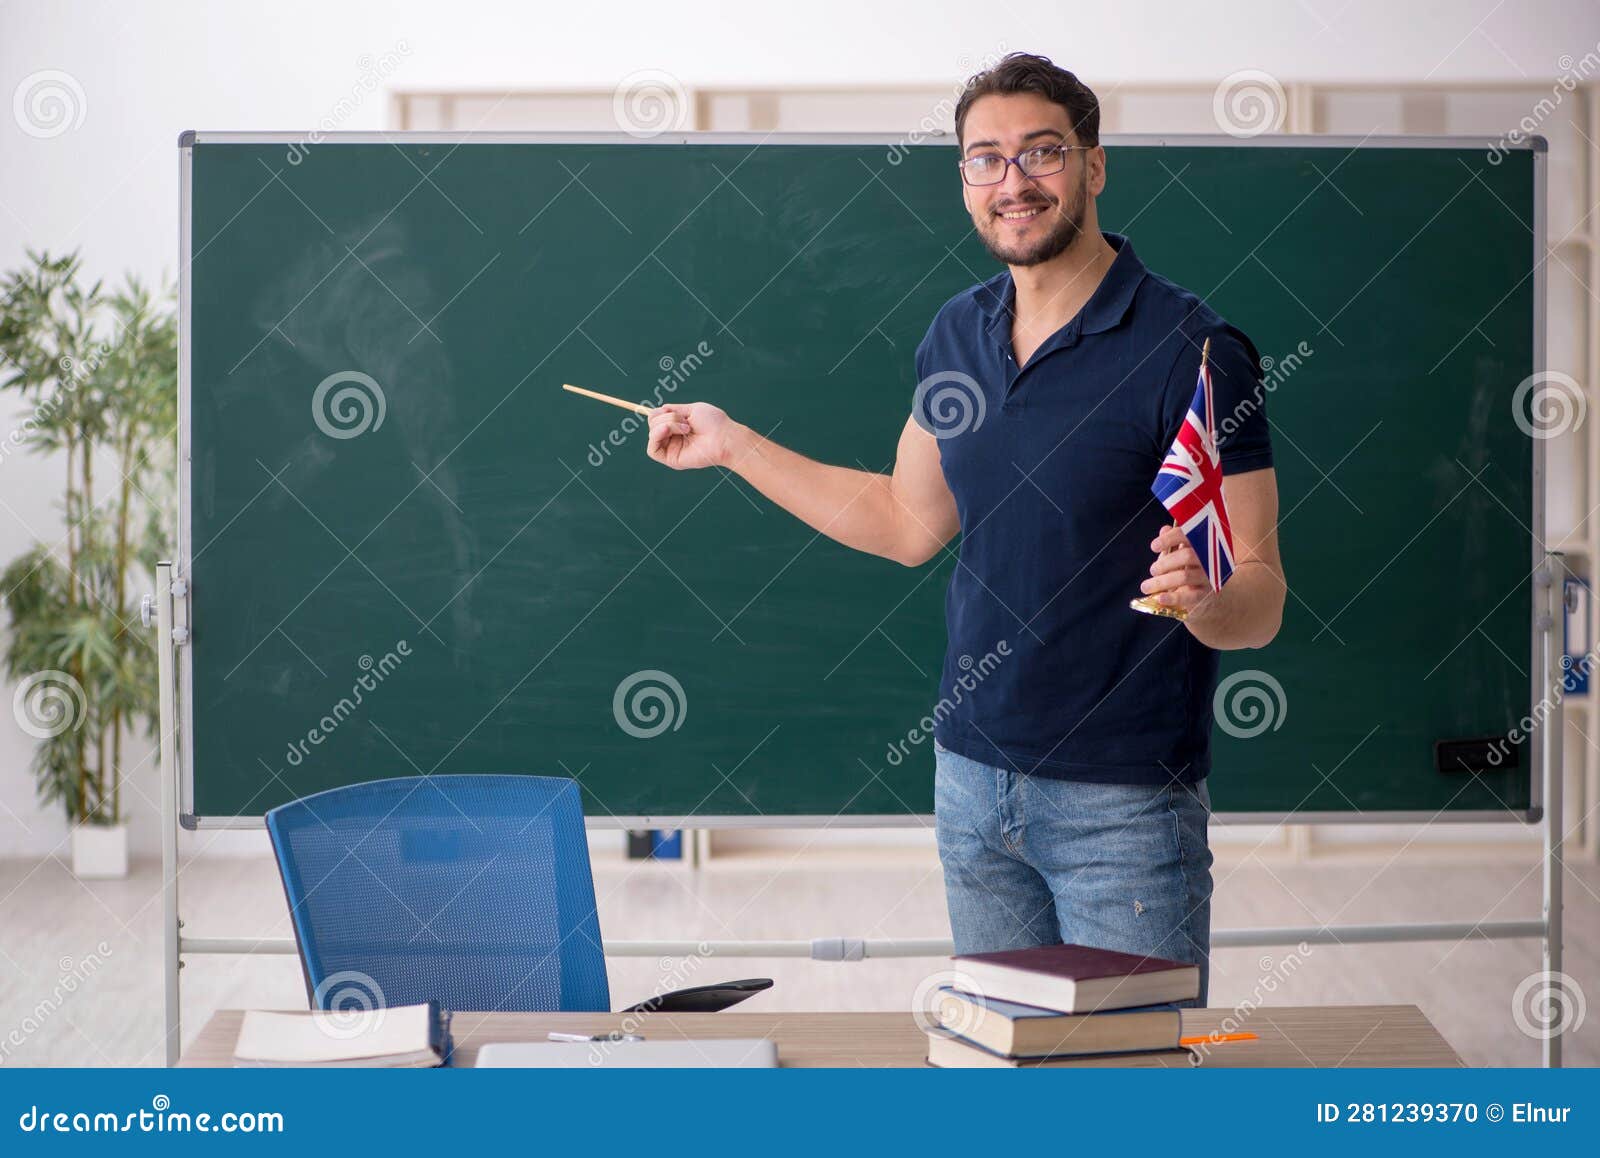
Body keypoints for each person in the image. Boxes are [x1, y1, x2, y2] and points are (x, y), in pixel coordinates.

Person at [645, 53, 1285, 1008]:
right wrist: (734, 445)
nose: (1013, 182)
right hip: (973, 788)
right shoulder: (958, 333)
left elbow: (1262, 598)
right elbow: (906, 522)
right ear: (964, 182)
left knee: (1132, 1093)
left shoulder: (1192, 351)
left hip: (1124, 808)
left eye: (1041, 153)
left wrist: (1207, 601)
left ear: (1094, 166)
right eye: (984, 160)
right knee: (1001, 1077)